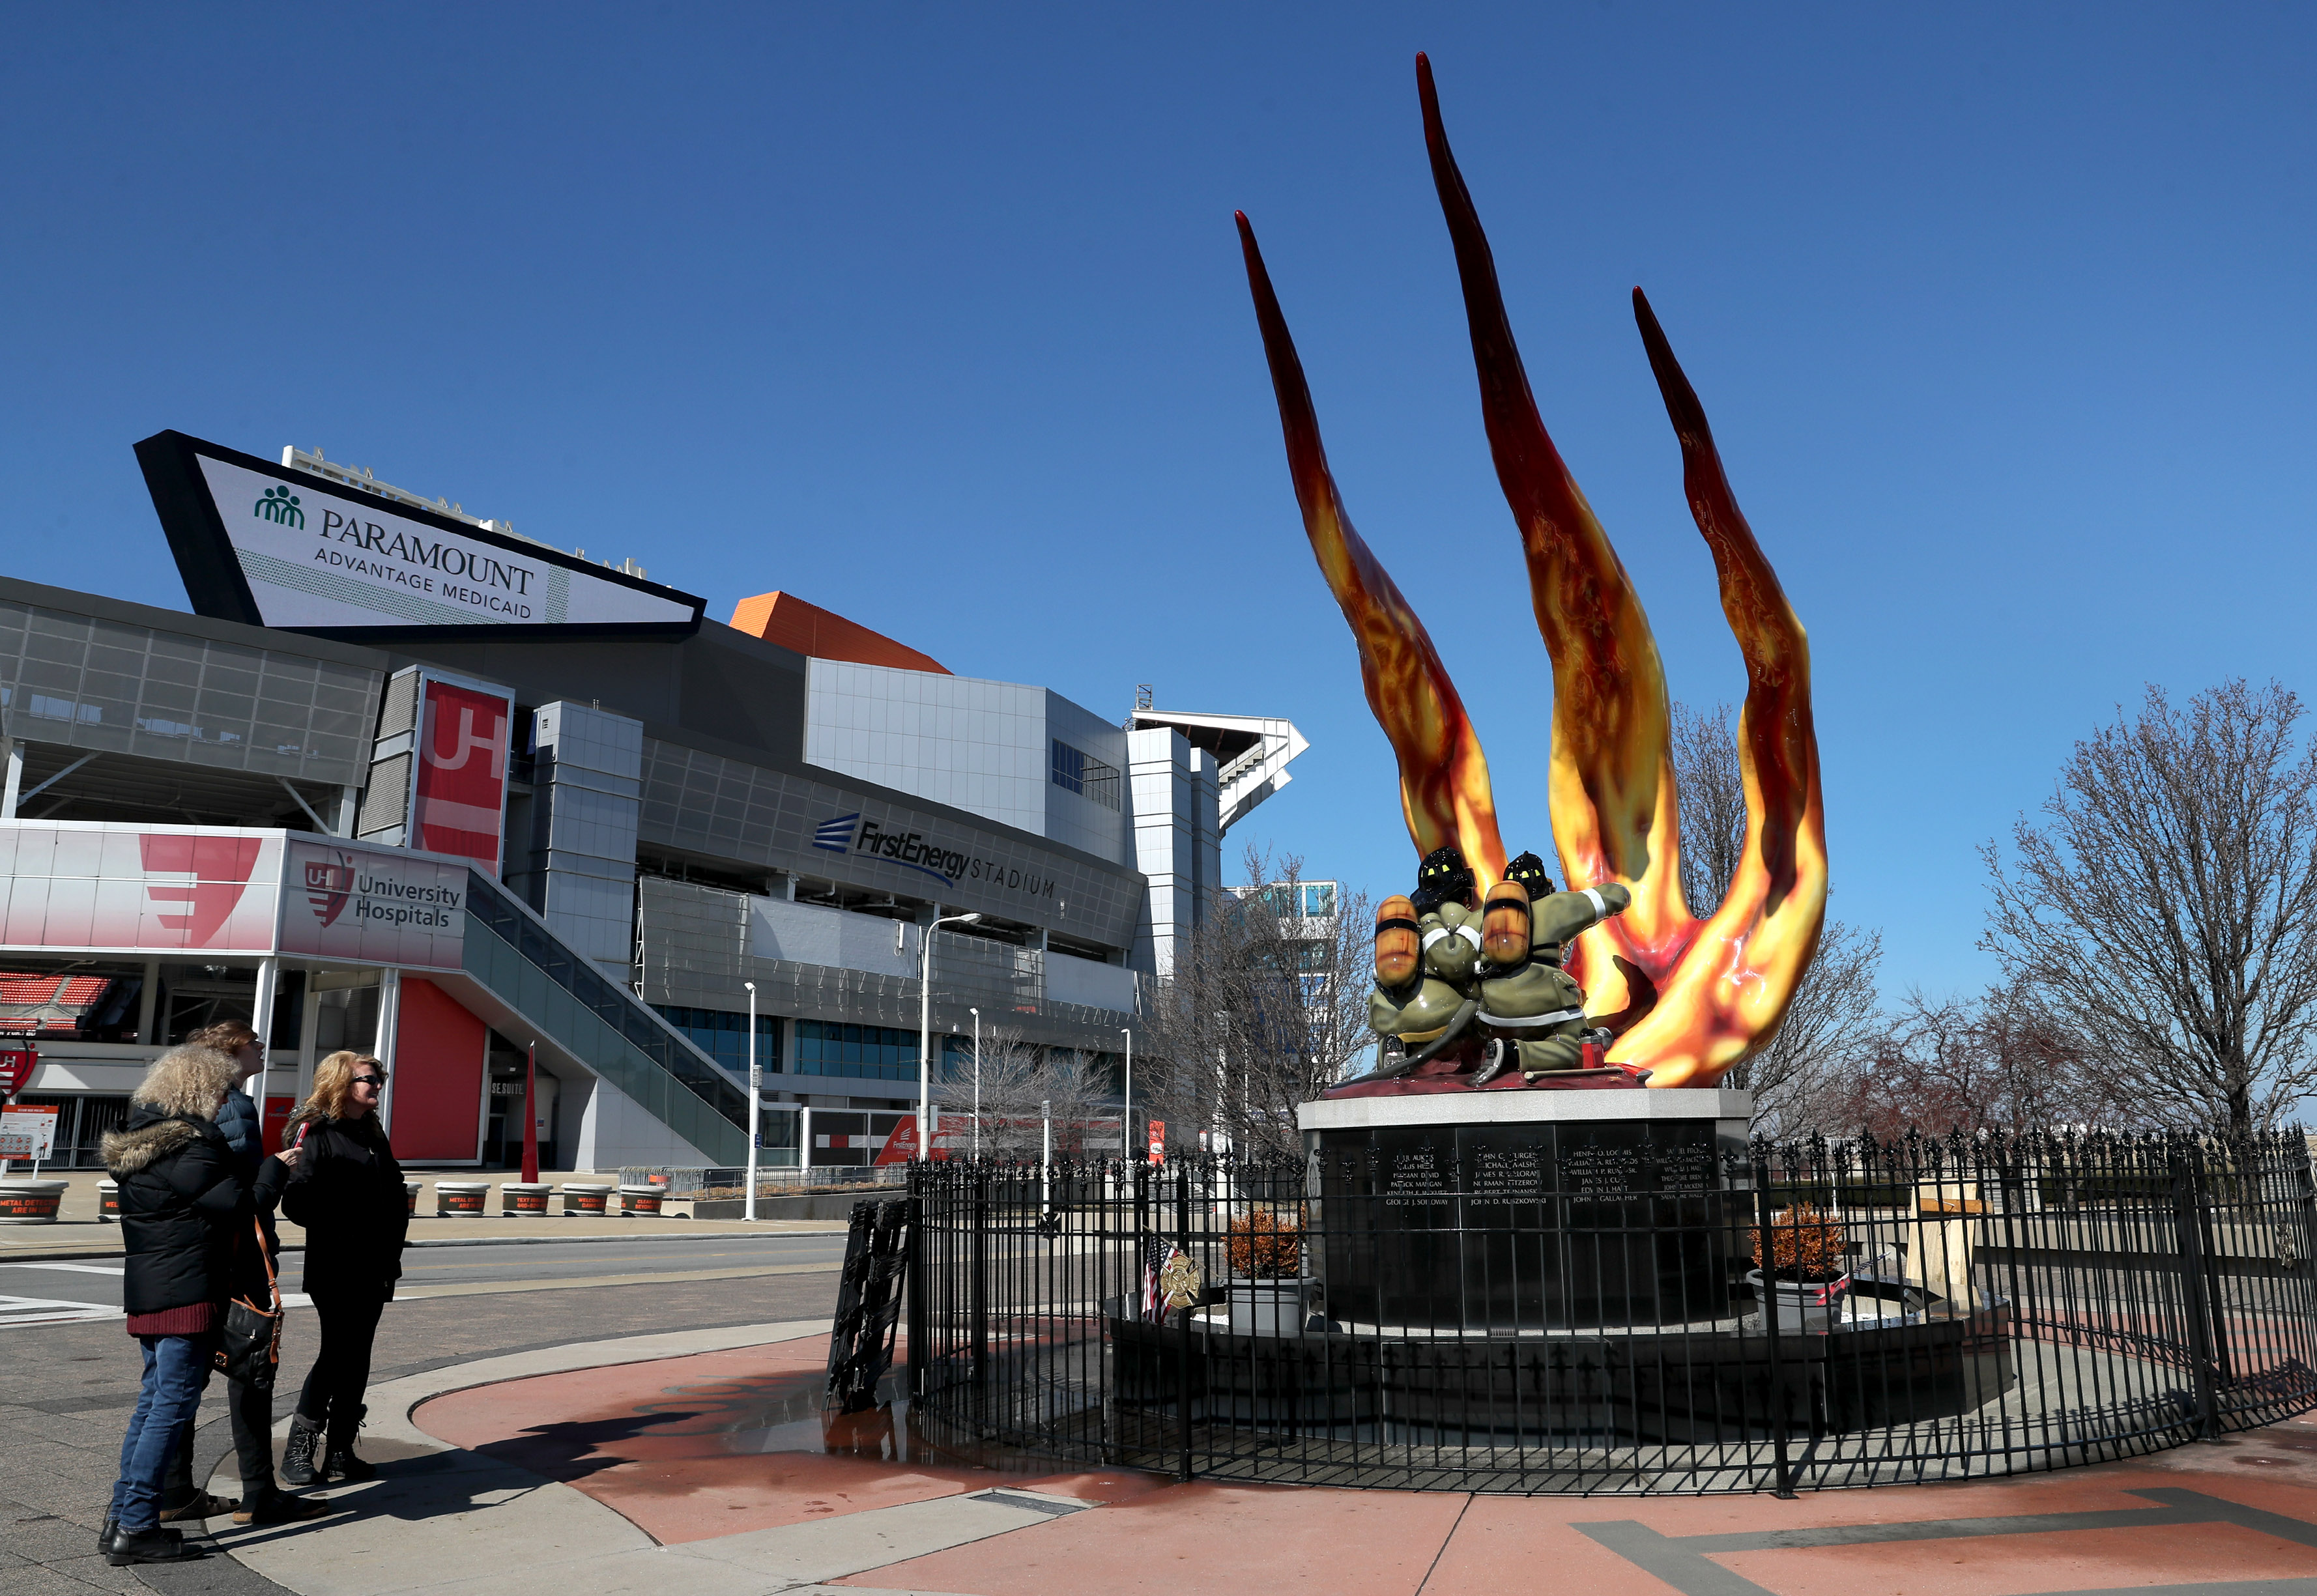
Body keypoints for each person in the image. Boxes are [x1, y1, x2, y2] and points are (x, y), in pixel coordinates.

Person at [100, 1044, 299, 1566]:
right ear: (198, 1090)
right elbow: (242, 1208)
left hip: (153, 1291)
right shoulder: (188, 1149)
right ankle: (137, 1526)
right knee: (171, 1407)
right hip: (187, 1292)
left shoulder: (145, 1145)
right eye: (219, 1091)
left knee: (153, 1406)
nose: (222, 1102)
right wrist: (274, 1170)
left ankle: (121, 1518)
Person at [163, 1021, 330, 1528]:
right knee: (251, 1372)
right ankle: (260, 1492)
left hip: (191, 1261)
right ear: (230, 1053)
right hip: (239, 1258)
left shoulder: (183, 1100)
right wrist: (276, 1168)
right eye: (255, 1043)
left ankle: (174, 1487)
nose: (263, 1049)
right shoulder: (233, 1103)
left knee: (184, 1378)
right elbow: (239, 1192)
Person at [279, 1051, 409, 1485]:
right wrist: (346, 1215)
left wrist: (392, 1244)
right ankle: (299, 1447)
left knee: (358, 1359)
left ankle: (340, 1452)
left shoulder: (372, 1132)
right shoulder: (315, 1131)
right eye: (368, 1079)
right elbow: (296, 1201)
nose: (376, 1086)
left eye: (379, 1080)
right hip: (336, 1263)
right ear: (341, 1083)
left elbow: (393, 1189)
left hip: (375, 1263)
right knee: (337, 1353)